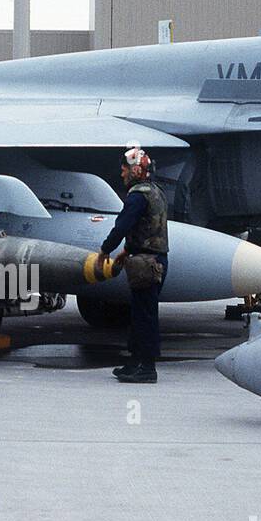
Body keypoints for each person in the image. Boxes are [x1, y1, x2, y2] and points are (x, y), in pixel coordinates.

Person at [96, 148, 170, 383]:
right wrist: (126, 252)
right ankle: (134, 363)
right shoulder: (156, 192)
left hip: (146, 264)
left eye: (125, 168)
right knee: (140, 314)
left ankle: (147, 369)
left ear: (136, 169)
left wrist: (105, 250)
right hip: (152, 261)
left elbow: (122, 226)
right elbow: (148, 229)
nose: (122, 173)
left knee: (145, 317)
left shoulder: (137, 196)